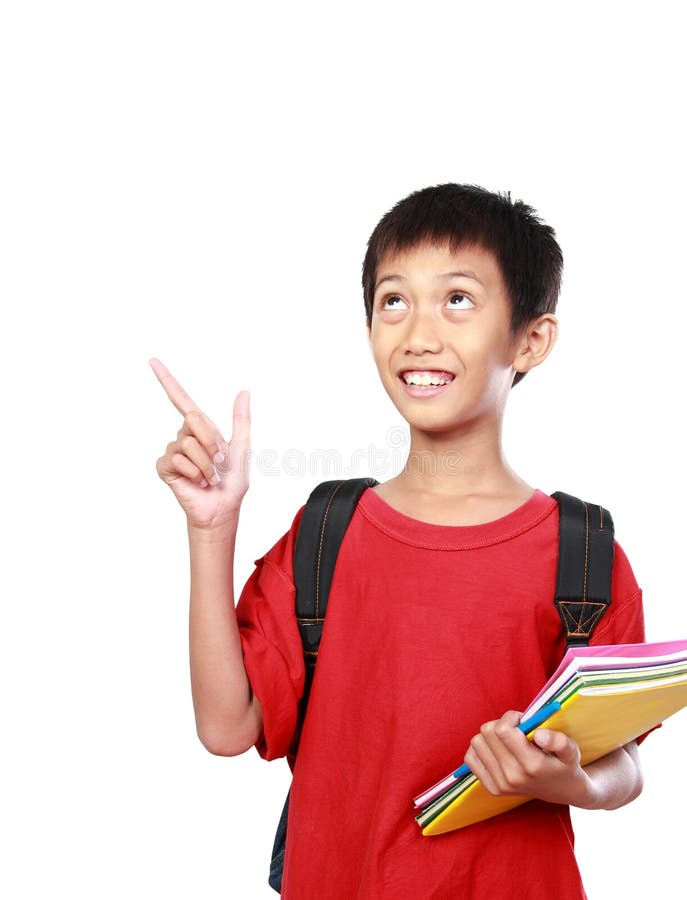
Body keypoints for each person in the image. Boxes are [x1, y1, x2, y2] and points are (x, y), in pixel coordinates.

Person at [150, 183, 647, 899]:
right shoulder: (328, 533)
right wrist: (211, 530)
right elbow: (228, 727)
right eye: (393, 300)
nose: (417, 332)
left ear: (529, 339)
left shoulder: (583, 555)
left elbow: (624, 765)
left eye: (457, 299)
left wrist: (570, 780)